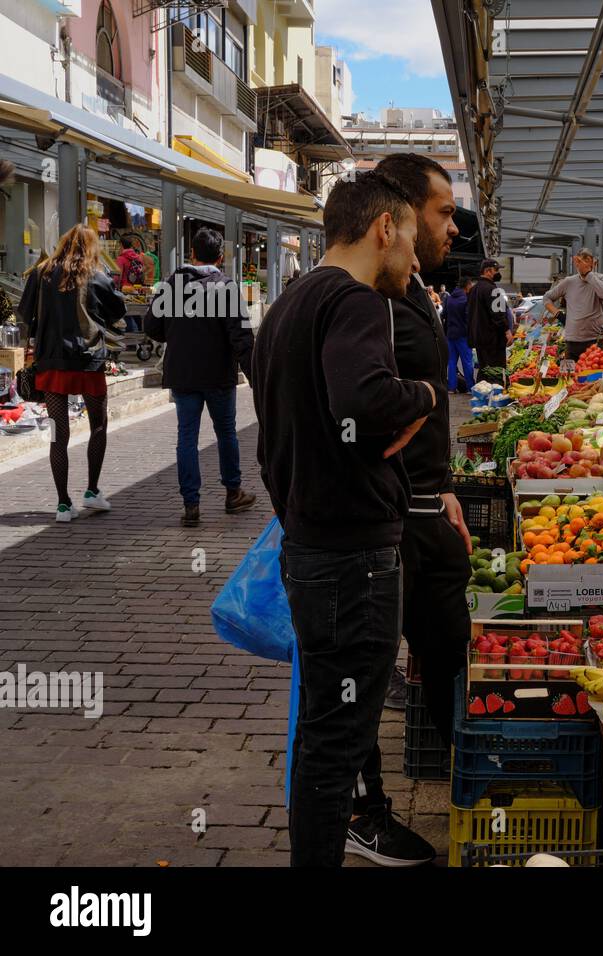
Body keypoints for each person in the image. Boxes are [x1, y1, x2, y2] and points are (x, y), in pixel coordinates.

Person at [250, 171, 437, 868]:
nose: (414, 260)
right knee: (336, 739)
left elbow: (275, 441)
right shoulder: (355, 302)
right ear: (383, 228)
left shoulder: (288, 305)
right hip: (353, 561)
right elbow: (362, 404)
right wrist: (419, 393)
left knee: (323, 736)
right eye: (411, 238)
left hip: (312, 549)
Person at [370, 154, 473, 864]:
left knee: (441, 647)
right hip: (389, 523)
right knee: (364, 671)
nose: (454, 223)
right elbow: (348, 415)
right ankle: (361, 808)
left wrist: (444, 488)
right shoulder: (363, 299)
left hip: (424, 512)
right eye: (442, 211)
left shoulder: (406, 292)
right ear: (399, 214)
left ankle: (476, 770)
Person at [143, 226, 257, 527]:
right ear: (220, 257)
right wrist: (256, 374)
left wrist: (177, 332)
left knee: (187, 437)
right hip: (218, 375)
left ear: (191, 253)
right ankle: (233, 493)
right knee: (226, 433)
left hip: (183, 374)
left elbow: (151, 326)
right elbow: (241, 338)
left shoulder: (172, 285)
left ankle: (191, 505)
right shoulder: (226, 287)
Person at [17, 224, 125, 522]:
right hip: (89, 363)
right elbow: (118, 311)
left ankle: (63, 504)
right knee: (98, 425)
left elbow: (24, 313)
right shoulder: (97, 275)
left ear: (62, 244)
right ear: (92, 248)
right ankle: (91, 490)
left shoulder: (41, 273)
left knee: (58, 435)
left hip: (52, 362)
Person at [543, 248, 603, 361]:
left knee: (594, 376)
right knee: (570, 376)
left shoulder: (601, 278)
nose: (584, 265)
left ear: (594, 263)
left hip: (595, 340)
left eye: (588, 261)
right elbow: (547, 298)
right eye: (580, 262)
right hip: (572, 341)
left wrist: (589, 274)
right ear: (576, 264)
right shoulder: (569, 282)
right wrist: (558, 314)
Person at [468, 258, 508, 379]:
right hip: (493, 340)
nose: (498, 273)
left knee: (484, 369)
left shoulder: (473, 290)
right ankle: (495, 395)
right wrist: (507, 331)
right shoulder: (493, 289)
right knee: (495, 372)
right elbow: (498, 314)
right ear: (488, 271)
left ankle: (481, 394)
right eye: (496, 270)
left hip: (479, 339)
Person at [443, 275, 474, 392]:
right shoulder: (465, 299)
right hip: (463, 335)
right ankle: (470, 388)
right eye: (471, 284)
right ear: (467, 285)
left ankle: (451, 387)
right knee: (467, 362)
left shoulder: (449, 298)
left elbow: (444, 314)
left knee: (451, 362)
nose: (471, 286)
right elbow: (468, 318)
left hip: (450, 334)